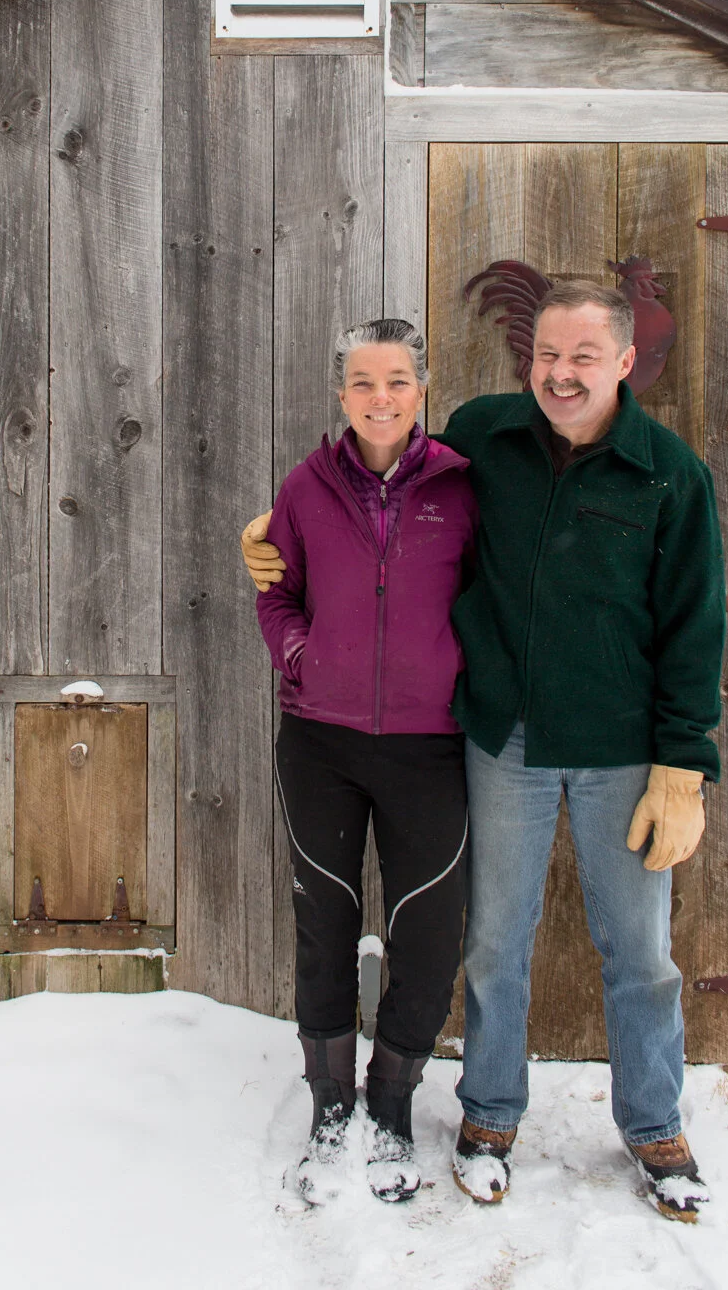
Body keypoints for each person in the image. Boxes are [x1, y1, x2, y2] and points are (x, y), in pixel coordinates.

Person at [243, 282, 725, 1224]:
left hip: (622, 749)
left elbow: (695, 626)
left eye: (584, 357)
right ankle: (490, 1115)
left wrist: (684, 761)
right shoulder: (487, 442)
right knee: (495, 941)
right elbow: (369, 504)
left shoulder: (670, 473)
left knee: (640, 950)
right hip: (501, 738)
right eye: (547, 355)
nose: (561, 374)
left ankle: (655, 1122)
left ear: (624, 362)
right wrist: (265, 537)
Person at [256, 317, 476, 1204]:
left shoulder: (464, 486)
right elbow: (279, 593)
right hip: (323, 740)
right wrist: (302, 656)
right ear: (340, 394)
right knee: (327, 920)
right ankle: (329, 1105)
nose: (378, 398)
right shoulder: (306, 488)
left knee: (428, 926)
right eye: (361, 382)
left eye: (396, 381)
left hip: (432, 746)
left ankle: (390, 1103)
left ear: (422, 390)